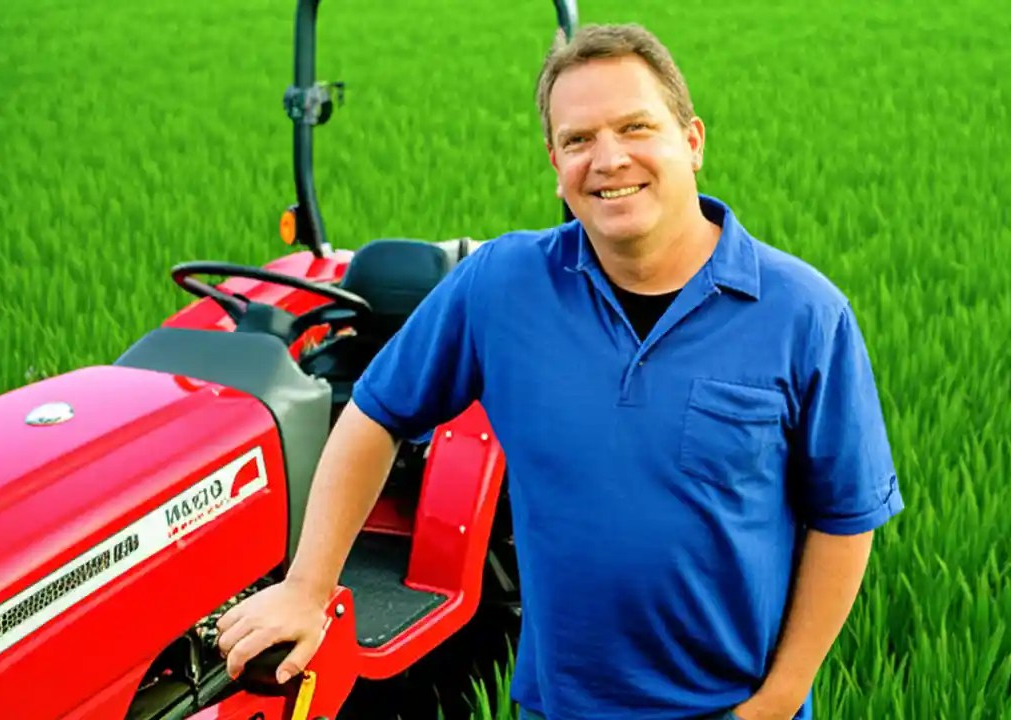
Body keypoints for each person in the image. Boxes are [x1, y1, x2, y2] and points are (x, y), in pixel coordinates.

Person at [216, 22, 903, 720]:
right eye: (578, 140)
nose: (608, 160)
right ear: (555, 161)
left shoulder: (803, 314)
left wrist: (780, 699)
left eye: (635, 127)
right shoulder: (502, 286)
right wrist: (308, 587)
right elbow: (375, 413)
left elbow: (844, 516)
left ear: (692, 141)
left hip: (735, 710)